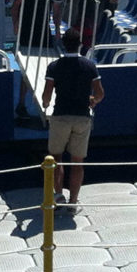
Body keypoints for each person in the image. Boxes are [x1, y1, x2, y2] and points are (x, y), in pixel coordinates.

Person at [41, 30, 103, 205]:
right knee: (77, 162)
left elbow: (47, 95)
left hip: (60, 116)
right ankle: (73, 201)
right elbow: (100, 94)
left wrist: (46, 105)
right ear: (80, 44)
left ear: (63, 44)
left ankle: (59, 194)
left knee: (55, 158)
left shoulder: (54, 66)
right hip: (82, 118)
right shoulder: (90, 66)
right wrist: (92, 101)